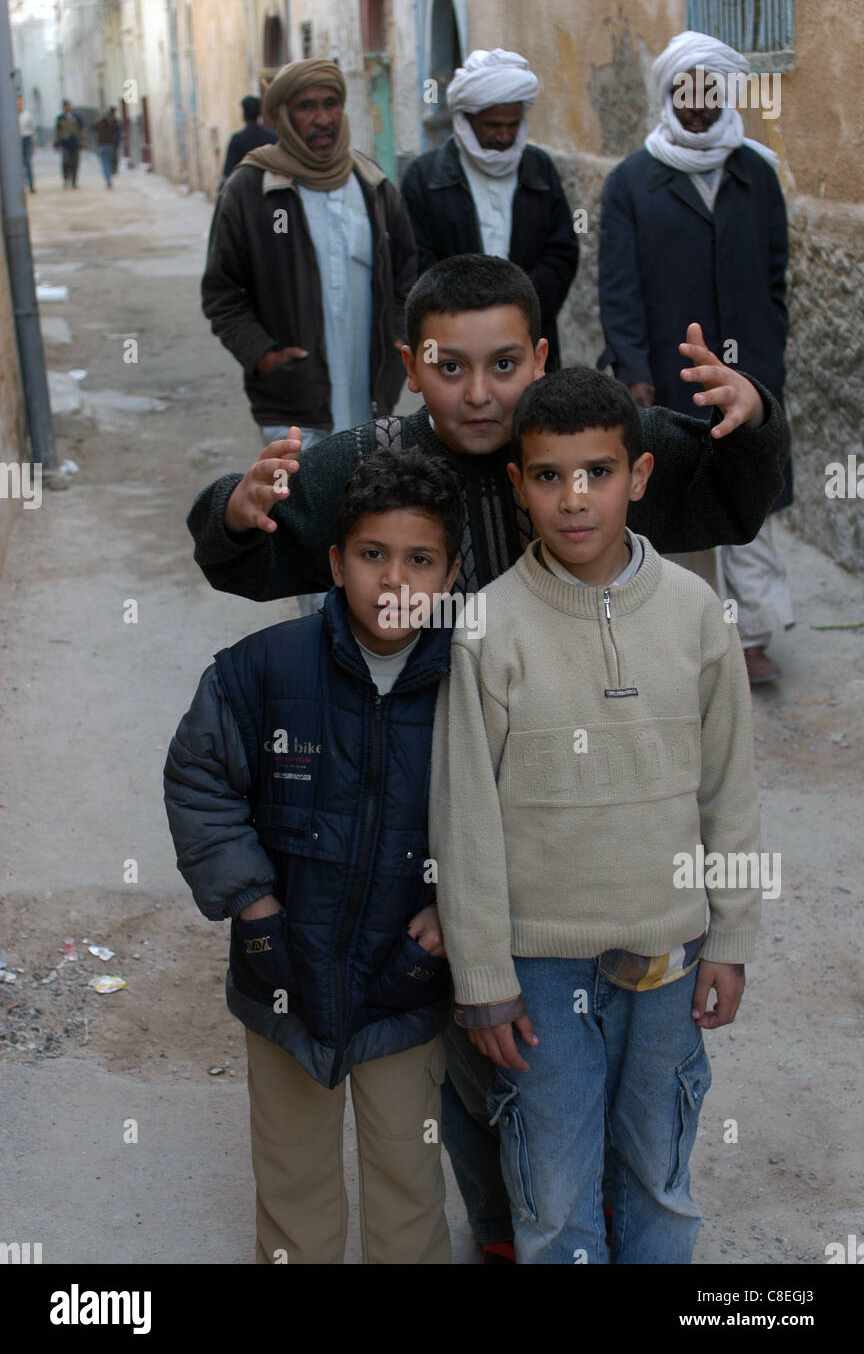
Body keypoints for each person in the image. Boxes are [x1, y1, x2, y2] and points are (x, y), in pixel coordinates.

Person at [186, 253, 789, 1263]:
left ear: (539, 356)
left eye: (504, 363)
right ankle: (511, 1227)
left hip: (556, 831)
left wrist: (754, 414)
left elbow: (727, 491)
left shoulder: (575, 439)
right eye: (449, 366)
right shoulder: (362, 466)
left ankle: (579, 1216)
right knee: (463, 1046)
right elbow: (256, 540)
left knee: (559, 1069)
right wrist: (232, 513)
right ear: (409, 365)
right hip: (412, 806)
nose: (480, 392)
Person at [429, 367, 762, 1264]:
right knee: (555, 1189)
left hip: (668, 956)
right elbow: (464, 819)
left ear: (640, 476)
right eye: (548, 476)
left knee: (657, 1174)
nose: (574, 500)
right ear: (517, 484)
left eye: (598, 472)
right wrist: (483, 976)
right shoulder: (488, 628)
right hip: (537, 972)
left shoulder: (696, 615)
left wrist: (730, 936)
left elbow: (728, 788)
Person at [165, 448, 464, 1264]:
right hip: (282, 974)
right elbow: (200, 782)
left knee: (408, 1178)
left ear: (451, 573)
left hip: (407, 980)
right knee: (292, 1179)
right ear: (335, 562)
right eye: (372, 555)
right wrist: (253, 907)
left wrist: (453, 915)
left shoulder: (476, 682)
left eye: (419, 559)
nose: (393, 580)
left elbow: (516, 809)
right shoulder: (262, 670)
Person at [598, 30, 794, 683]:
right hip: (670, 366)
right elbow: (618, 286)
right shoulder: (632, 181)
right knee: (684, 499)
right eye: (689, 94)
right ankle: (694, 636)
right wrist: (633, 373)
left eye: (713, 95)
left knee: (752, 495)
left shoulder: (756, 173)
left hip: (750, 369)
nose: (702, 109)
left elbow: (775, 273)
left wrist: (768, 355)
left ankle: (752, 637)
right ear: (668, 95)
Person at [201, 57, 416, 613]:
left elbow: (406, 277)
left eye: (330, 103)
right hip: (297, 399)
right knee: (306, 519)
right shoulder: (251, 189)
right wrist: (265, 355)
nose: (321, 119)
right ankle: (322, 648)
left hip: (370, 393)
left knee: (372, 520)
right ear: (282, 116)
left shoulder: (372, 184)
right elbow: (222, 292)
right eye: (306, 107)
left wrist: (398, 342)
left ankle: (373, 631)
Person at [401, 48, 578, 371]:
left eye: (513, 125)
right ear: (466, 120)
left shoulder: (539, 168)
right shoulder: (424, 178)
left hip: (527, 337)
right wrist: (469, 310)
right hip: (454, 346)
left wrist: (517, 304)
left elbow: (562, 253)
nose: (504, 135)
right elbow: (416, 259)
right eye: (493, 125)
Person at [220, 94, 277, 187]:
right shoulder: (273, 137)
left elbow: (228, 173)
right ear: (259, 113)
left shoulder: (237, 139)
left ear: (243, 115)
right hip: (271, 190)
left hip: (246, 192)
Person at [53, 99, 86, 188]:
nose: (67, 107)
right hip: (65, 142)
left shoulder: (77, 116)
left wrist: (83, 139)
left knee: (75, 162)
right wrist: (56, 143)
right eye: (65, 106)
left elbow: (81, 129)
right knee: (66, 161)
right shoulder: (60, 118)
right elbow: (57, 131)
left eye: (68, 105)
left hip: (75, 142)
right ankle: (66, 178)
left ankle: (74, 181)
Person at [92, 110, 120, 188]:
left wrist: (97, 121)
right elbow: (117, 127)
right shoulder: (111, 124)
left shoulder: (99, 125)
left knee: (105, 164)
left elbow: (92, 127)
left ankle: (108, 179)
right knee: (109, 163)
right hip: (110, 146)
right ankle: (109, 178)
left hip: (103, 146)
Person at [18, 96, 35, 194]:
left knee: (28, 162)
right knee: (18, 164)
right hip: (16, 141)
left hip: (26, 139)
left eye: (20, 102)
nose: (19, 104)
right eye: (17, 102)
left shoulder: (27, 115)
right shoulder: (10, 113)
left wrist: (33, 142)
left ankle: (31, 184)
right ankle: (20, 184)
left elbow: (32, 129)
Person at [109, 105, 122, 175]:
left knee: (113, 155)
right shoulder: (114, 120)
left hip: (111, 140)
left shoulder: (110, 119)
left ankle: (113, 169)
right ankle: (114, 169)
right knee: (114, 155)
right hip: (114, 140)